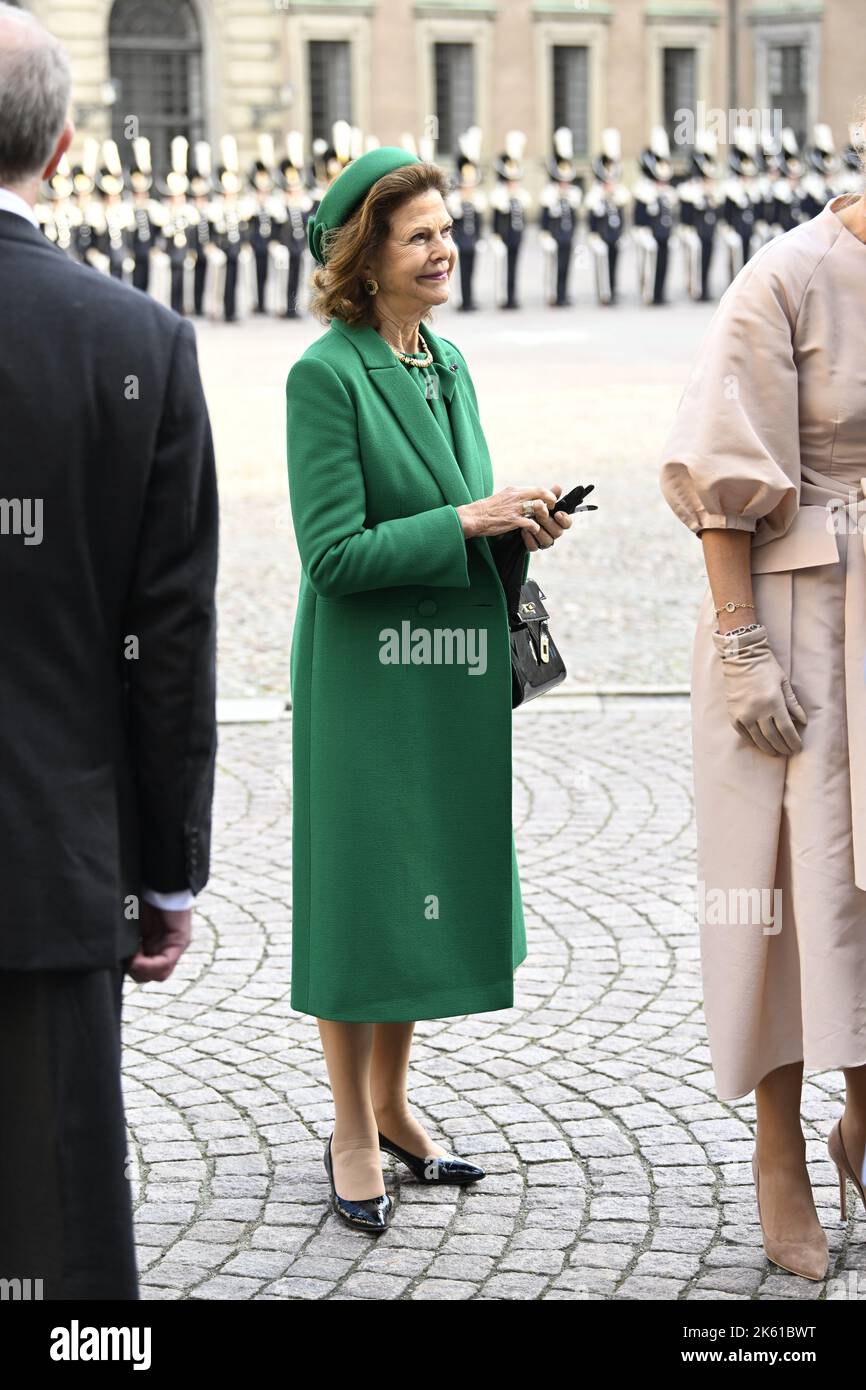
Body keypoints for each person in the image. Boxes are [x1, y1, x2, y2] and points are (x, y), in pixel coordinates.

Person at [285, 147, 573, 1232]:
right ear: (364, 260)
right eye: (418, 234)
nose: (443, 246)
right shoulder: (324, 374)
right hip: (364, 687)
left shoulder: (444, 363)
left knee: (419, 888)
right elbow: (333, 556)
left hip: (442, 674)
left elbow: (468, 506)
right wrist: (467, 520)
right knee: (362, 899)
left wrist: (520, 521)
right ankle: (348, 1126)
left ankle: (395, 1105)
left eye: (446, 227)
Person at [0, 4, 219, 1298]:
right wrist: (165, 871)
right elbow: (169, 641)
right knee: (58, 1223)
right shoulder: (138, 343)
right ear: (69, 149)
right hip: (51, 858)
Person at [658, 125, 866, 1281]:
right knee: (789, 891)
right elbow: (717, 480)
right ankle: (779, 1148)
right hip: (790, 613)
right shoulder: (780, 277)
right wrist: (741, 648)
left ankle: (862, 1132)